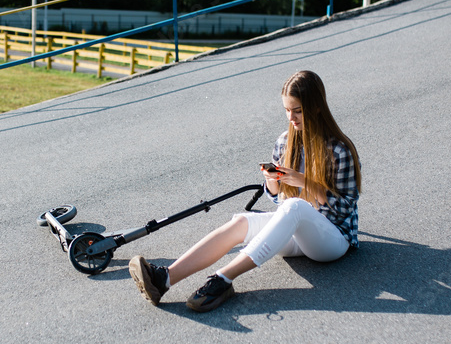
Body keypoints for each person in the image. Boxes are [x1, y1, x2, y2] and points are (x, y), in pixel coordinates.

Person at [129, 70, 361, 312]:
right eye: (286, 110)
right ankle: (164, 279)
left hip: (332, 240)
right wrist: (273, 182)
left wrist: (306, 183)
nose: (291, 117)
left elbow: (344, 209)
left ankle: (222, 280)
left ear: (316, 108)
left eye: (298, 110)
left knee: (295, 206)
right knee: (241, 221)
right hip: (296, 232)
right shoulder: (285, 142)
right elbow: (277, 200)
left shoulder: (339, 150)